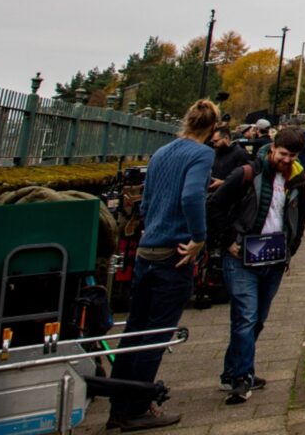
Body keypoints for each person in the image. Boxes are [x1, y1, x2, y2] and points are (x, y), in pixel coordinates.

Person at [107, 99, 220, 432]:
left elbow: (146, 198)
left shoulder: (161, 153)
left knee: (134, 330)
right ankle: (139, 407)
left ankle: (118, 405)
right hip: (175, 253)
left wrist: (150, 225)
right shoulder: (202, 154)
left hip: (146, 250)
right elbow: (190, 197)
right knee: (156, 335)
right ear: (212, 128)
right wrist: (198, 237)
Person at [208, 127, 305, 405]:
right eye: (283, 154)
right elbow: (215, 206)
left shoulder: (296, 181)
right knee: (245, 317)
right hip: (241, 257)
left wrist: (292, 249)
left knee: (257, 320)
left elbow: (300, 218)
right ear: (273, 147)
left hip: (274, 259)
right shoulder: (246, 174)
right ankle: (241, 378)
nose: (287, 160)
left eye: (293, 156)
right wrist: (227, 240)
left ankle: (233, 370)